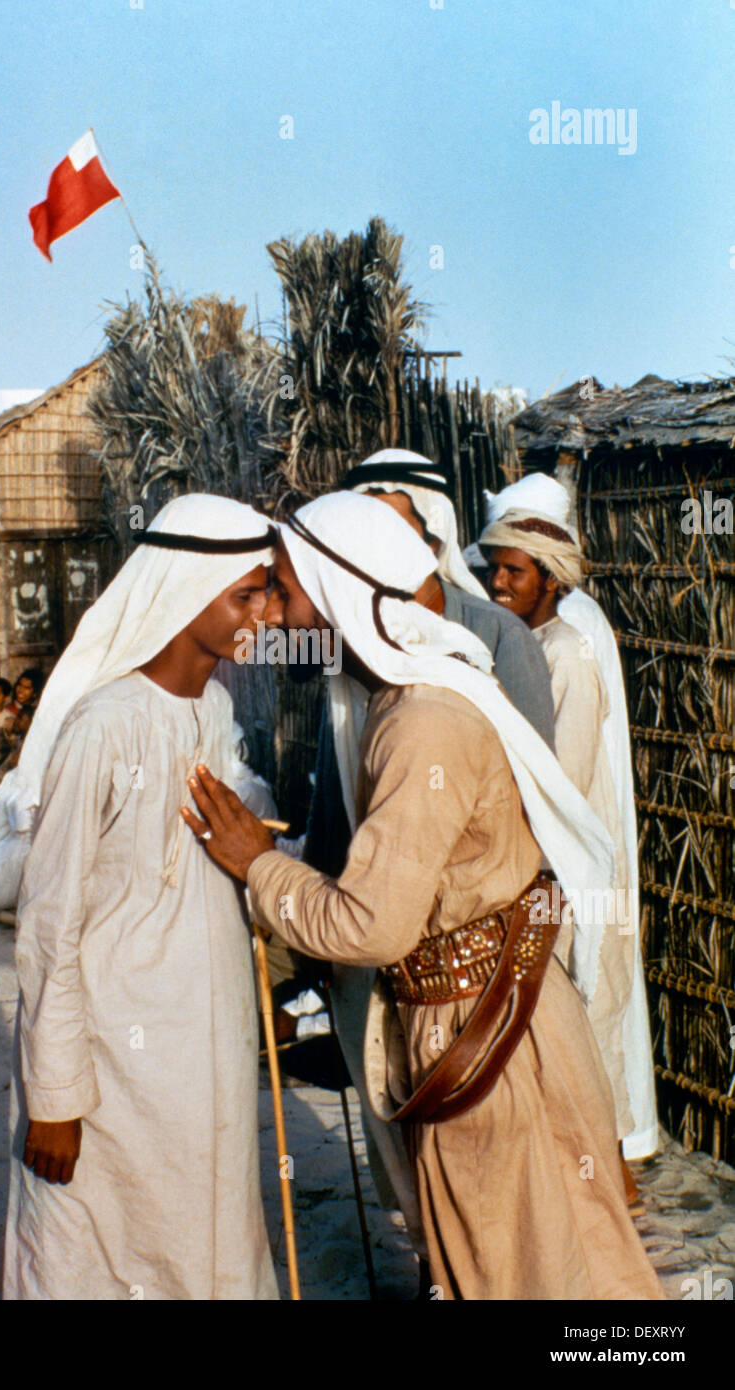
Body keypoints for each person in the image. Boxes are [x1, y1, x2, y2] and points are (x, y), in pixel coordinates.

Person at [182, 492, 664, 1300]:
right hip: (514, 1020)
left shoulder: (421, 725)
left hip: (482, 1039)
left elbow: (373, 925)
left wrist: (257, 865)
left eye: (290, 592)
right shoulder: (429, 692)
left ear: (347, 591)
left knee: (515, 1271)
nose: (278, 613)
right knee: (571, 1270)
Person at [0, 494, 279, 1301]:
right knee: (101, 1244)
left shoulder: (217, 708)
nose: (261, 614)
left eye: (265, 593)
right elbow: (50, 917)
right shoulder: (103, 723)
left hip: (206, 1038)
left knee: (206, 1229)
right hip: (113, 1052)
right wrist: (53, 1096)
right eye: (245, 594)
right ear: (185, 588)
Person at [297, 448, 557, 1277]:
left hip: (464, 951)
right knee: (397, 1131)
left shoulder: (492, 639)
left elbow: (525, 796)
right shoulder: (350, 652)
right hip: (369, 923)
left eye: (396, 520)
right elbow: (333, 786)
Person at [477, 472, 658, 1172]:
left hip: (568, 878)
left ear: (549, 580)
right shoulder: (529, 646)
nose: (498, 583)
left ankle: (614, 1194)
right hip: (548, 875)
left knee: (588, 1037)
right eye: (493, 568)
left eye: (513, 572)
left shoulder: (567, 655)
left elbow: (566, 785)